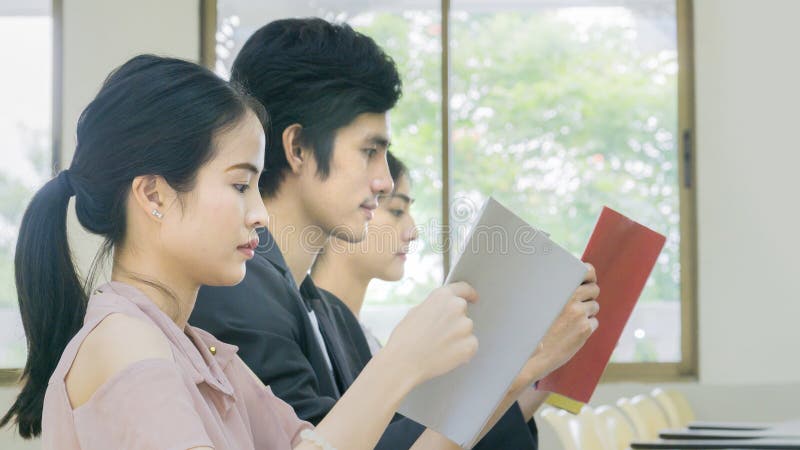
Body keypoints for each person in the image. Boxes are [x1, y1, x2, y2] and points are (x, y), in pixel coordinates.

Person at [0, 54, 485, 450]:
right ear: (153, 196)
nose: (260, 214)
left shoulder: (204, 352)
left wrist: (496, 376)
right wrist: (399, 362)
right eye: (239, 185)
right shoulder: (124, 342)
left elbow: (316, 446)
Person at [190, 18, 601, 449]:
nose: (384, 181)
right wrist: (517, 367)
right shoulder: (236, 295)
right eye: (369, 152)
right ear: (298, 148)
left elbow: (391, 438)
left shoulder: (326, 310)